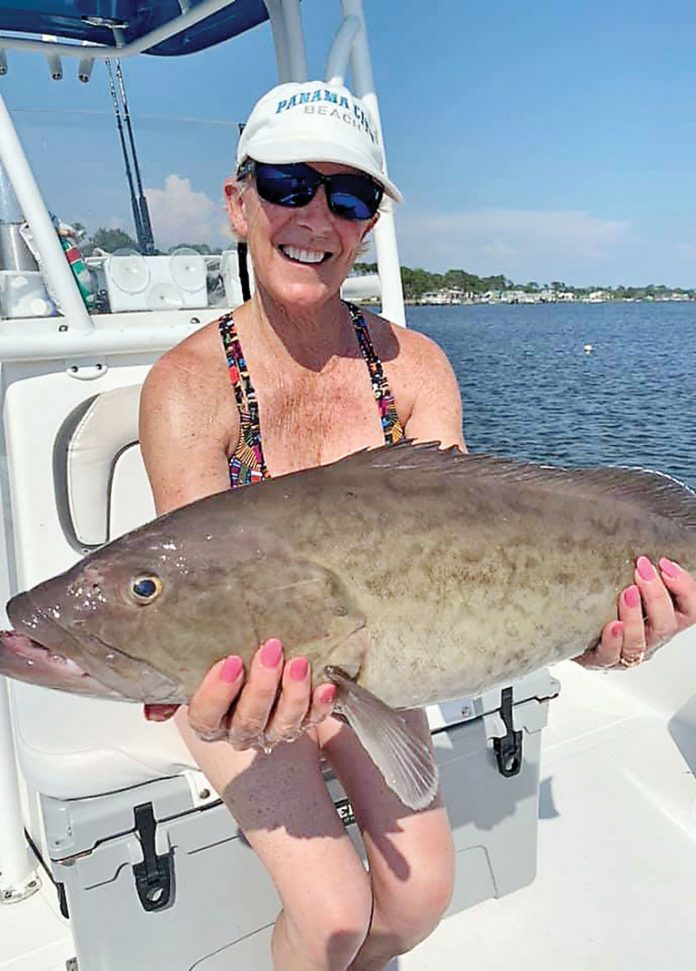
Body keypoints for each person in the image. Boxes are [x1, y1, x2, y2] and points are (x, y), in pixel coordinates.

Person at [139, 80, 696, 971]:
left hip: (385, 663)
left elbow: (489, 568)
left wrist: (598, 636)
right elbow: (193, 599)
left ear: (367, 226)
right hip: (254, 674)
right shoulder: (186, 387)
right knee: (329, 912)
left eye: (348, 196)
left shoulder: (417, 369)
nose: (316, 214)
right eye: (288, 184)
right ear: (238, 201)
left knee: (420, 893)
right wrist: (231, 699)